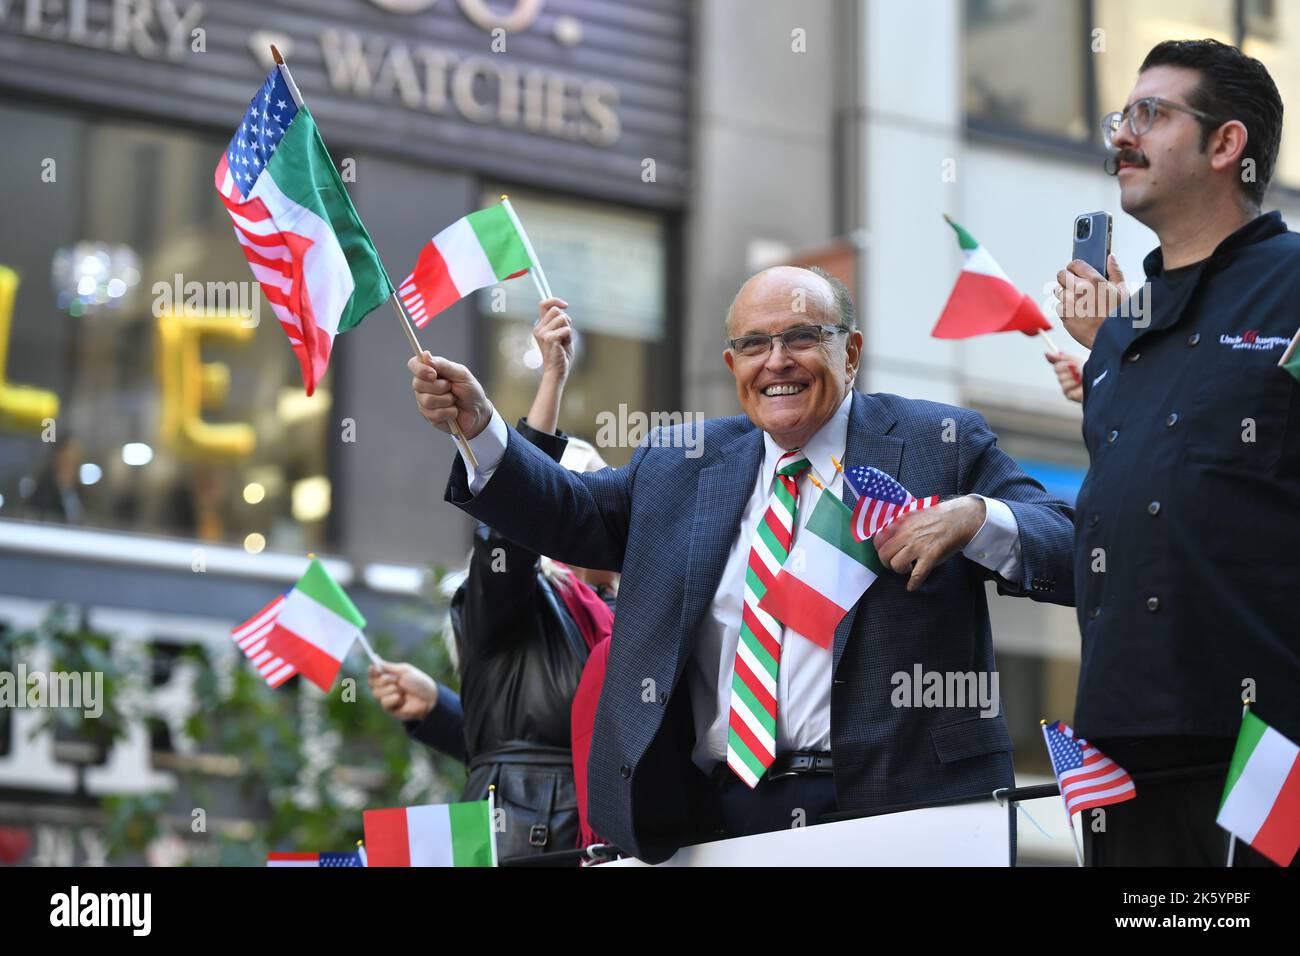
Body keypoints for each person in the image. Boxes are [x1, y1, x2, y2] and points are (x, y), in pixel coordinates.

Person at [407, 264, 1075, 863]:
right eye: (754, 344)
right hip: (717, 818)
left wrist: (976, 518)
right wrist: (482, 428)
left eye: (802, 337)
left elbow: (1071, 546)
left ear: (853, 352)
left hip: (898, 811)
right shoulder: (679, 462)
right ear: (733, 364)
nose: (776, 361)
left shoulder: (937, 444)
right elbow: (568, 510)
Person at [1051, 39, 1299, 866]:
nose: (1123, 135)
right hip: (1118, 752)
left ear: (1227, 145)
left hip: (1270, 744)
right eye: (1124, 116)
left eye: (1151, 116)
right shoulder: (1120, 333)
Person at [369, 299, 617, 862]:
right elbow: (517, 521)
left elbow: (533, 748)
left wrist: (441, 710)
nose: (616, 511)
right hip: (533, 847)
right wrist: (552, 378)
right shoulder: (513, 594)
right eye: (597, 495)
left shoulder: (630, 613)